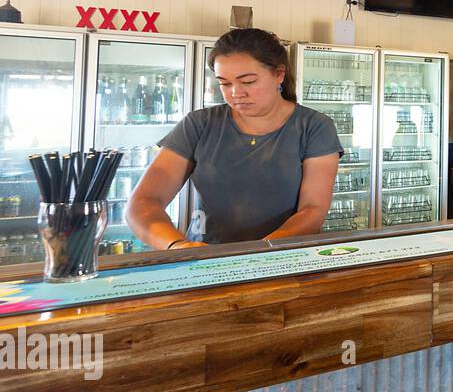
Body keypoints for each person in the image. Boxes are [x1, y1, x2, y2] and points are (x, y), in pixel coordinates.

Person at [127, 28, 342, 249]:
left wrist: (258, 251)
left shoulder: (314, 127)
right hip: (205, 257)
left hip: (281, 258)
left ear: (279, 74)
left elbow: (312, 210)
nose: (236, 93)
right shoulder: (200, 124)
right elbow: (143, 202)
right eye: (224, 83)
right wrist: (177, 246)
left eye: (247, 82)